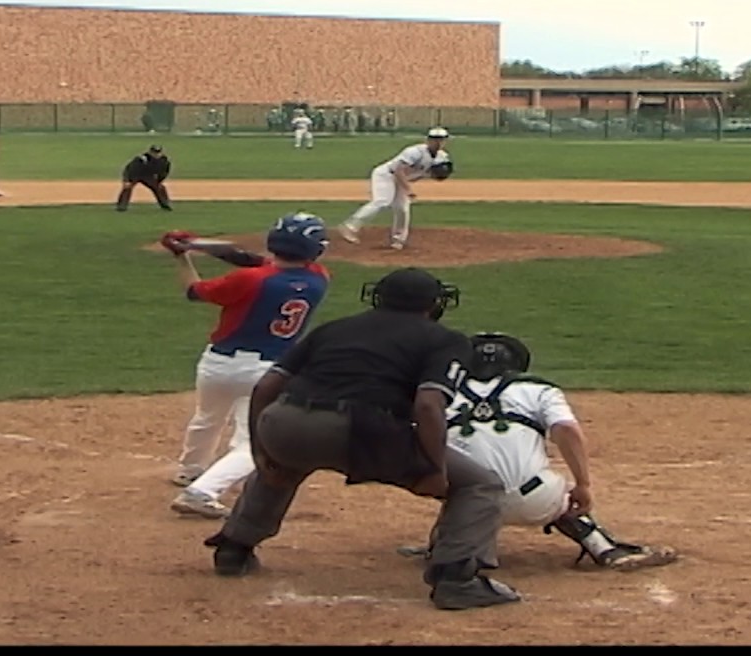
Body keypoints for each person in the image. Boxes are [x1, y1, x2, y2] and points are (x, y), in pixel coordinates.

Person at [200, 267, 521, 611]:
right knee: (479, 484)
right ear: (433, 304)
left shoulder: (335, 328)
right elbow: (428, 406)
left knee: (283, 467)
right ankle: (457, 578)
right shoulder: (444, 339)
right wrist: (435, 467)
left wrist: (263, 451)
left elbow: (266, 387)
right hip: (361, 430)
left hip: (283, 421)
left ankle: (234, 549)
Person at [398, 332, 678, 572]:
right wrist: (583, 484)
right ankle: (604, 548)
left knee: (464, 477)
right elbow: (566, 431)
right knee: (563, 492)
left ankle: (445, 547)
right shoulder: (540, 389)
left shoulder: (438, 394)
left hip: (471, 503)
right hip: (536, 500)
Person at [166, 213, 333, 519]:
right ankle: (201, 492)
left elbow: (194, 290)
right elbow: (252, 261)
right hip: (266, 372)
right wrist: (197, 245)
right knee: (253, 443)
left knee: (207, 418)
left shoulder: (248, 279)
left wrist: (183, 255)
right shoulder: (319, 277)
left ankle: (190, 471)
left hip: (216, 364)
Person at [337, 128, 455, 250]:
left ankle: (398, 240)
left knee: (402, 208)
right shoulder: (414, 152)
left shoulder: (442, 157)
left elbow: (435, 173)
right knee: (382, 201)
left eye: (441, 140)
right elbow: (399, 170)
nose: (438, 143)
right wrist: (408, 189)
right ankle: (349, 226)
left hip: (402, 180)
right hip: (386, 175)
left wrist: (438, 175)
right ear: (428, 140)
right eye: (435, 140)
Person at [116, 144, 174, 212]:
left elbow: (165, 171)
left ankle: (165, 204)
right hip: (135, 175)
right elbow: (129, 169)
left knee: (159, 188)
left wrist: (159, 180)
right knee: (127, 188)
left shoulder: (164, 160)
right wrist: (126, 180)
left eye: (158, 152)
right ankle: (122, 206)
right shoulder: (142, 159)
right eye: (154, 152)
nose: (156, 154)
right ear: (150, 152)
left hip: (148, 176)